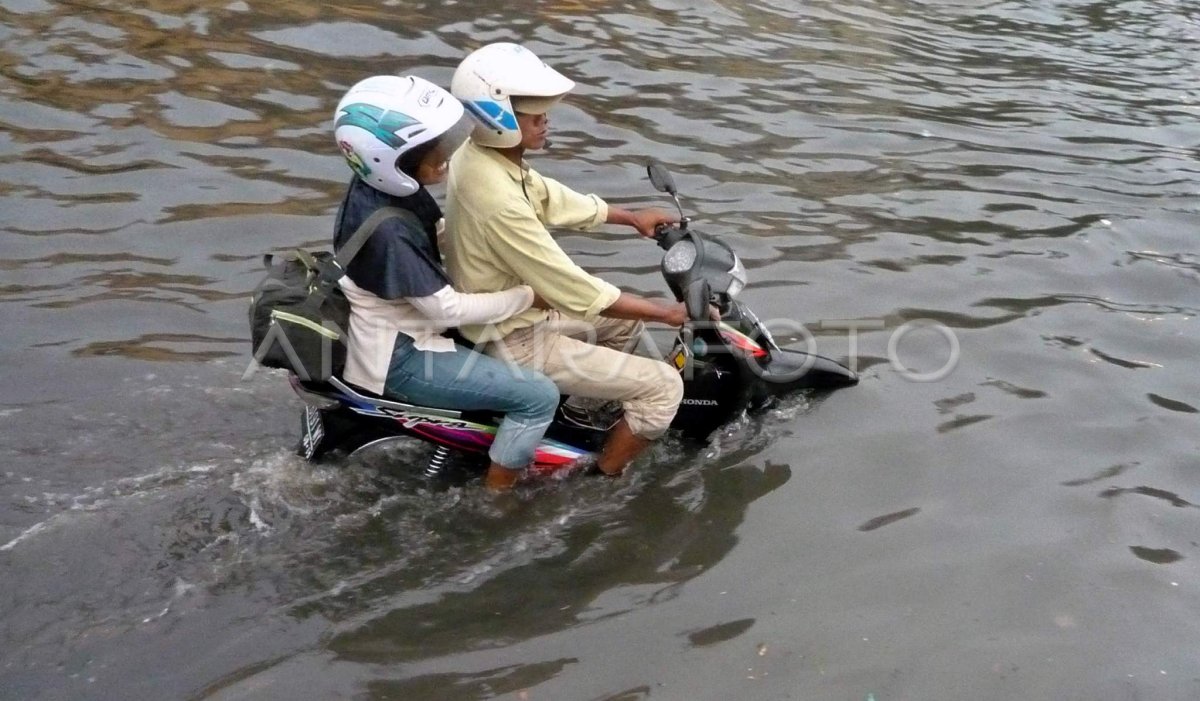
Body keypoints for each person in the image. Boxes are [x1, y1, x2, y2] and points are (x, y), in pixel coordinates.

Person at [444, 43, 687, 478]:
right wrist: (667, 312)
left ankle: (576, 418)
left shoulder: (478, 155)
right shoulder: (498, 201)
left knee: (625, 322)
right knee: (664, 386)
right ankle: (604, 479)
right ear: (498, 120)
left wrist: (630, 218)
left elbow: (549, 196)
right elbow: (572, 289)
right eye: (535, 117)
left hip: (511, 314)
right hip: (513, 342)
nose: (545, 122)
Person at [331, 74, 560, 491]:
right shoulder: (389, 231)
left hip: (399, 328)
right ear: (390, 159)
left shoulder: (386, 190)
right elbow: (445, 309)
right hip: (398, 359)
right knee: (538, 396)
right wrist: (528, 294)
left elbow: (439, 232)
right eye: (432, 150)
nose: (446, 155)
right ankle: (498, 500)